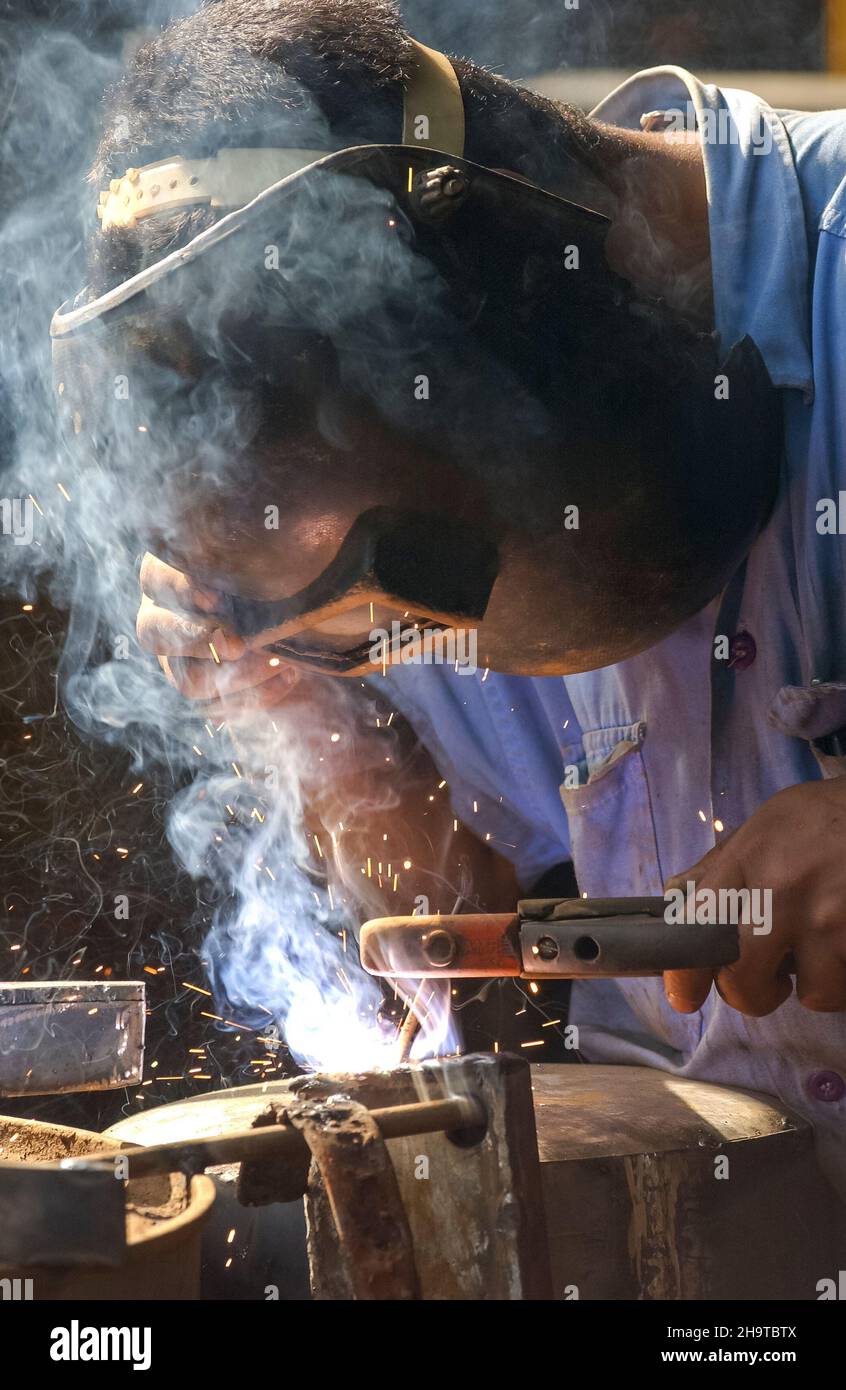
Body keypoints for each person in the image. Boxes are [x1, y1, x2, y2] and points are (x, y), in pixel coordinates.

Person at [72, 2, 846, 1191]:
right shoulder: (413, 480)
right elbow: (463, 913)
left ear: (510, 326)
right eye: (371, 630)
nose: (426, 640)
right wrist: (308, 721)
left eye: (415, 595)